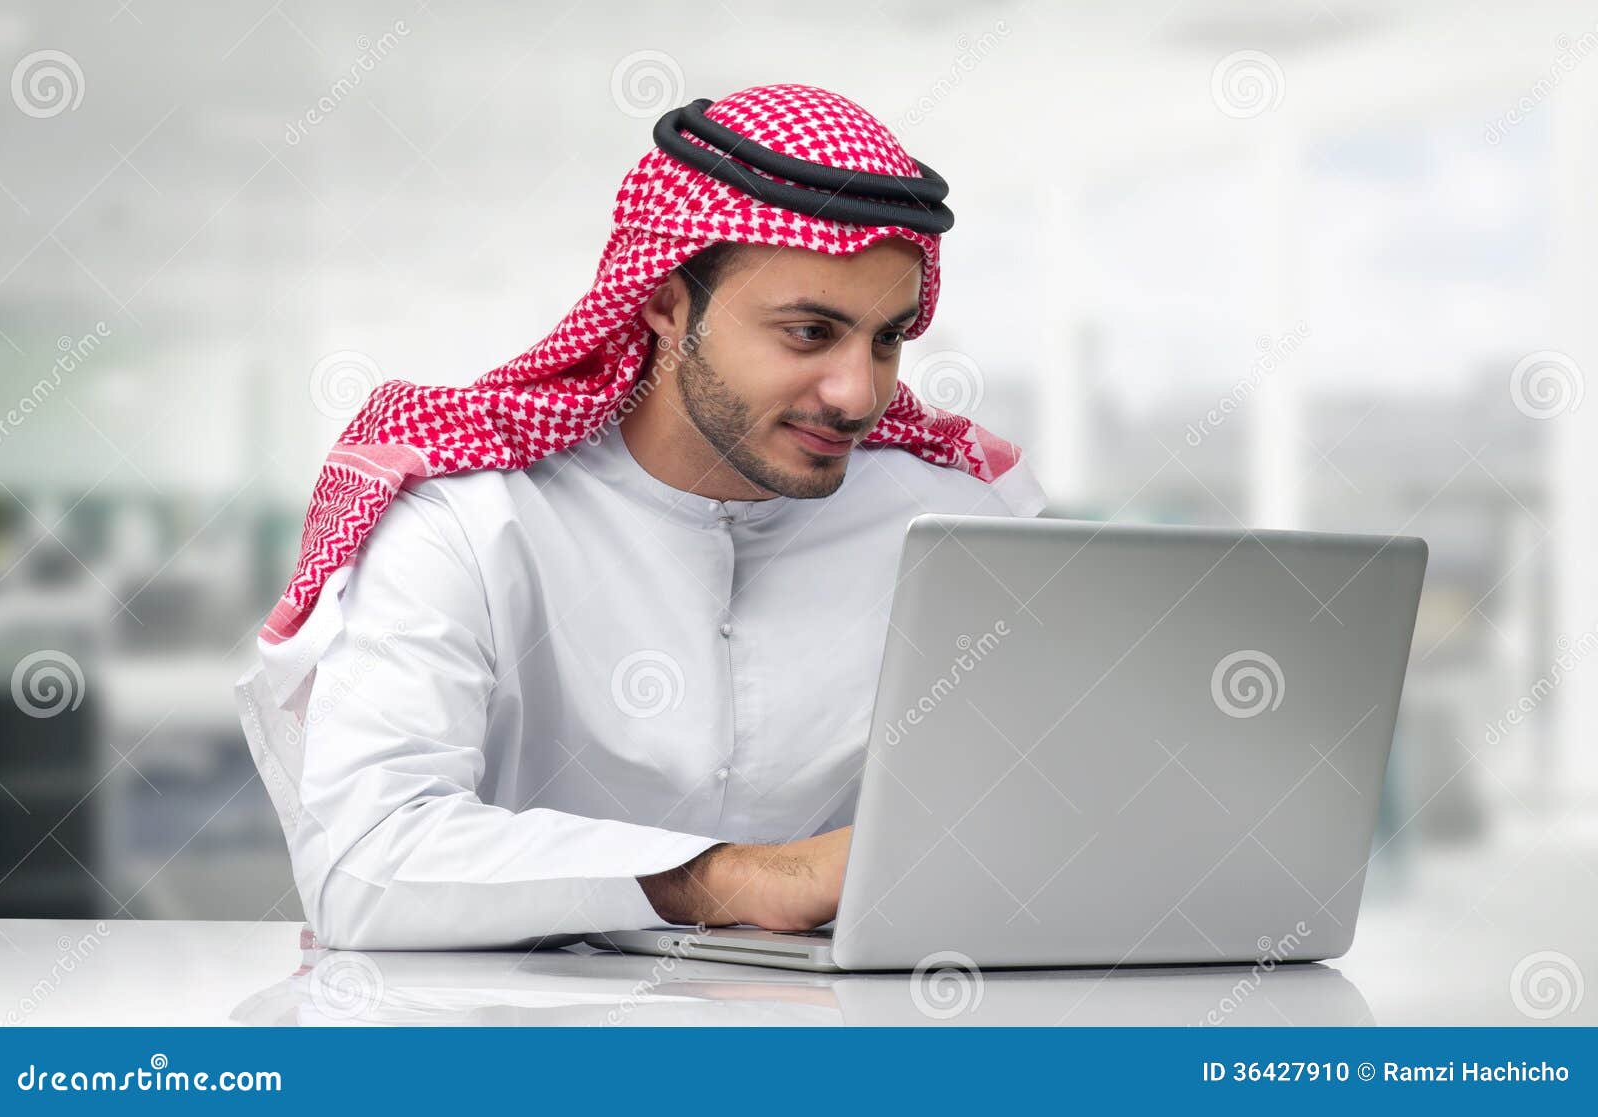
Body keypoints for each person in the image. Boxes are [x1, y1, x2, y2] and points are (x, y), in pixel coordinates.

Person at [235, 83, 1046, 950]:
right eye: (810, 333)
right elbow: (366, 863)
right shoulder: (465, 525)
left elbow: (1060, 816)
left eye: (886, 339)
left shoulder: (958, 527)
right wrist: (738, 878)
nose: (859, 391)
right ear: (665, 305)